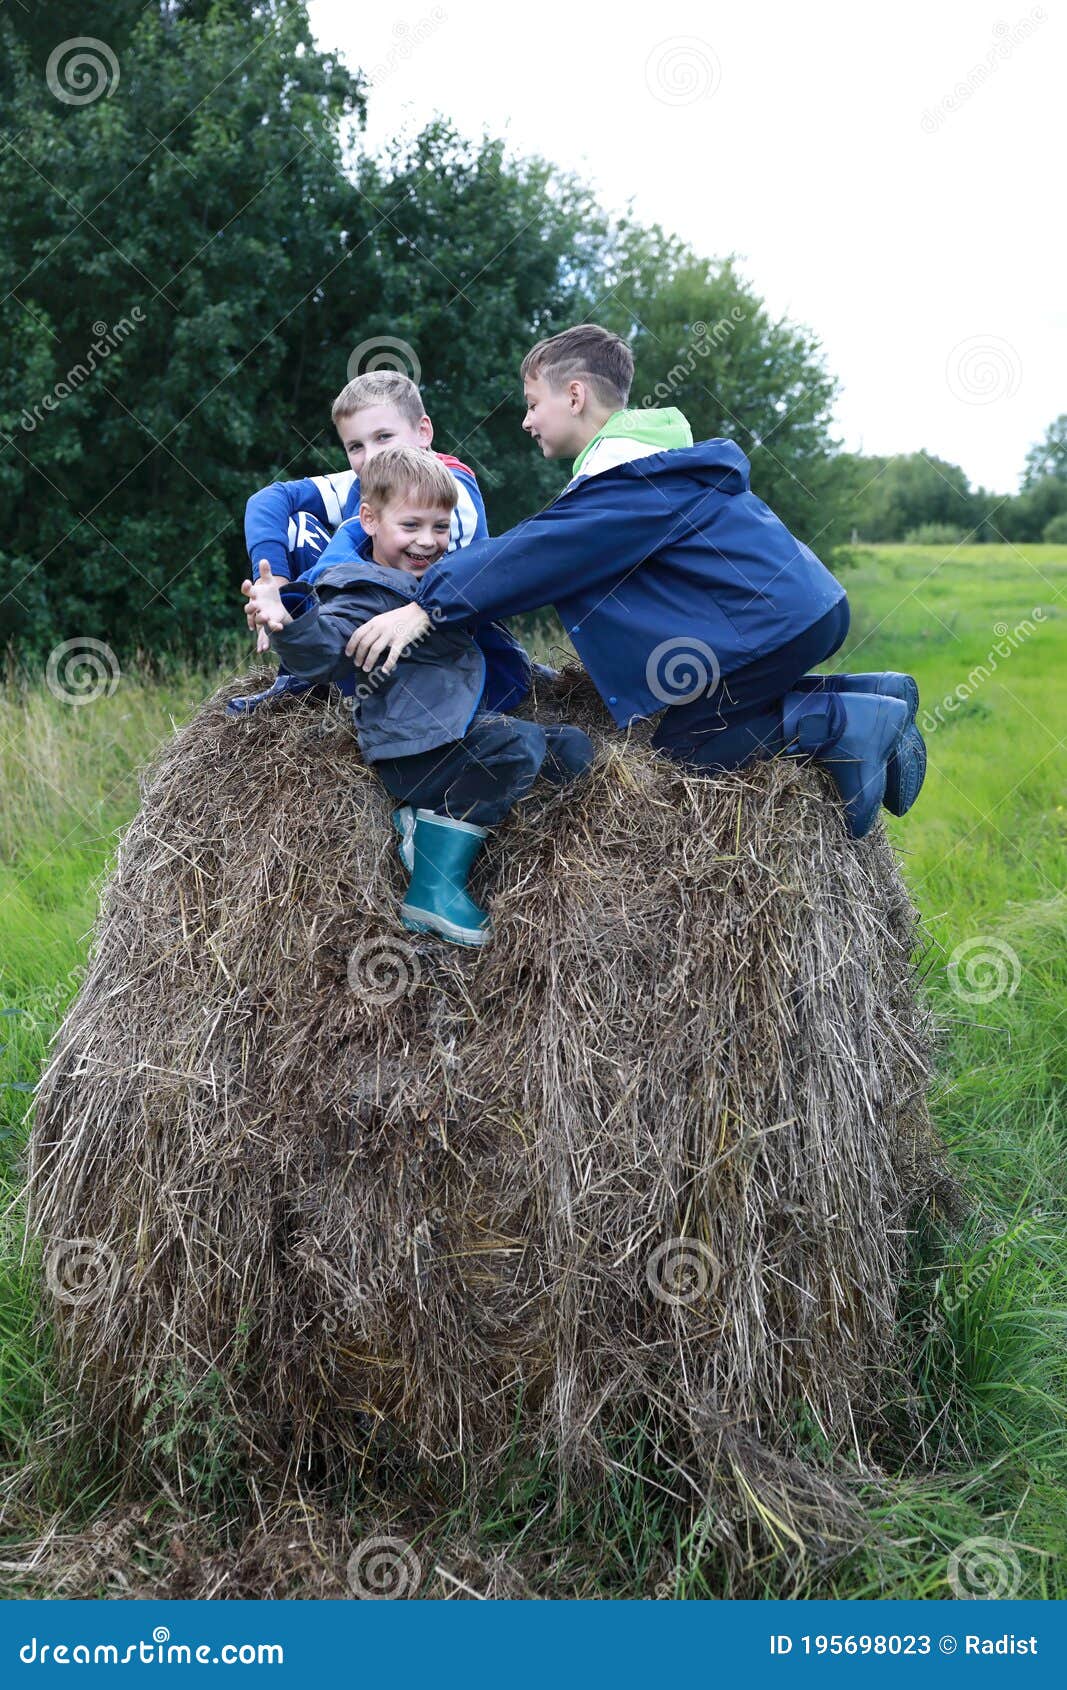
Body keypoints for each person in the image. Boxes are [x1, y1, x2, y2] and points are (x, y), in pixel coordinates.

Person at [325, 324, 924, 840]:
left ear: (575, 395)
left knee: (686, 750)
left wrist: (429, 605)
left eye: (534, 403)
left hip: (771, 623)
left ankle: (849, 723)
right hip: (791, 614)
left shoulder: (626, 479)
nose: (527, 420)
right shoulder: (641, 465)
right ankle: (873, 693)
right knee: (711, 714)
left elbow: (538, 553)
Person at [243, 445, 593, 947]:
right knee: (516, 747)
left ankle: (440, 831)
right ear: (368, 519)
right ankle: (432, 886)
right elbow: (323, 651)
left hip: (458, 732)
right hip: (413, 749)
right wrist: (289, 621)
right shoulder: (358, 591)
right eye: (410, 526)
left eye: (440, 527)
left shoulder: (442, 582)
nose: (428, 542)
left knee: (572, 748)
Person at [229, 369, 530, 717]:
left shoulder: (449, 492)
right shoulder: (371, 480)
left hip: (439, 632)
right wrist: (277, 585)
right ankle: (307, 675)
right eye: (356, 446)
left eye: (384, 437)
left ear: (423, 432)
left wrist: (301, 603)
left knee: (355, 538)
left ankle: (318, 659)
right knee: (298, 524)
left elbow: (460, 584)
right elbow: (268, 500)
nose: (370, 456)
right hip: (370, 614)